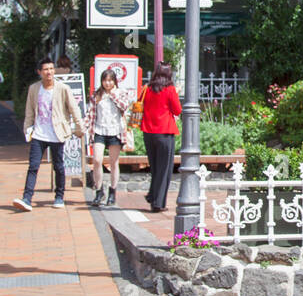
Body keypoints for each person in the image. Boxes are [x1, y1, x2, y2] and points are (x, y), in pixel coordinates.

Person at [14, 58, 84, 211]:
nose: (49, 72)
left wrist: (80, 127)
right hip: (39, 134)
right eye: (46, 69)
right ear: (40, 72)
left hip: (57, 134)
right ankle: (27, 198)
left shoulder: (62, 88)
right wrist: (27, 128)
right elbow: (30, 111)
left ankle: (59, 196)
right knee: (33, 166)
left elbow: (74, 108)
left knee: (58, 166)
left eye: (52, 69)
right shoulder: (34, 89)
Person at [84, 68, 133, 208]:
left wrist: (113, 95)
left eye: (110, 80)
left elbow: (125, 106)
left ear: (115, 81)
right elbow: (91, 114)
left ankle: (113, 191)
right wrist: (83, 126)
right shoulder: (97, 95)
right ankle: (99, 191)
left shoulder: (120, 93)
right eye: (105, 80)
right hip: (99, 130)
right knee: (97, 160)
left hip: (115, 131)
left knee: (113, 162)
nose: (107, 83)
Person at [141, 61, 182, 212]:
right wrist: (176, 92)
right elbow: (177, 110)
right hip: (164, 132)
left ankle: (152, 196)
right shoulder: (170, 89)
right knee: (164, 168)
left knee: (155, 167)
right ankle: (157, 202)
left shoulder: (147, 88)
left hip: (148, 131)